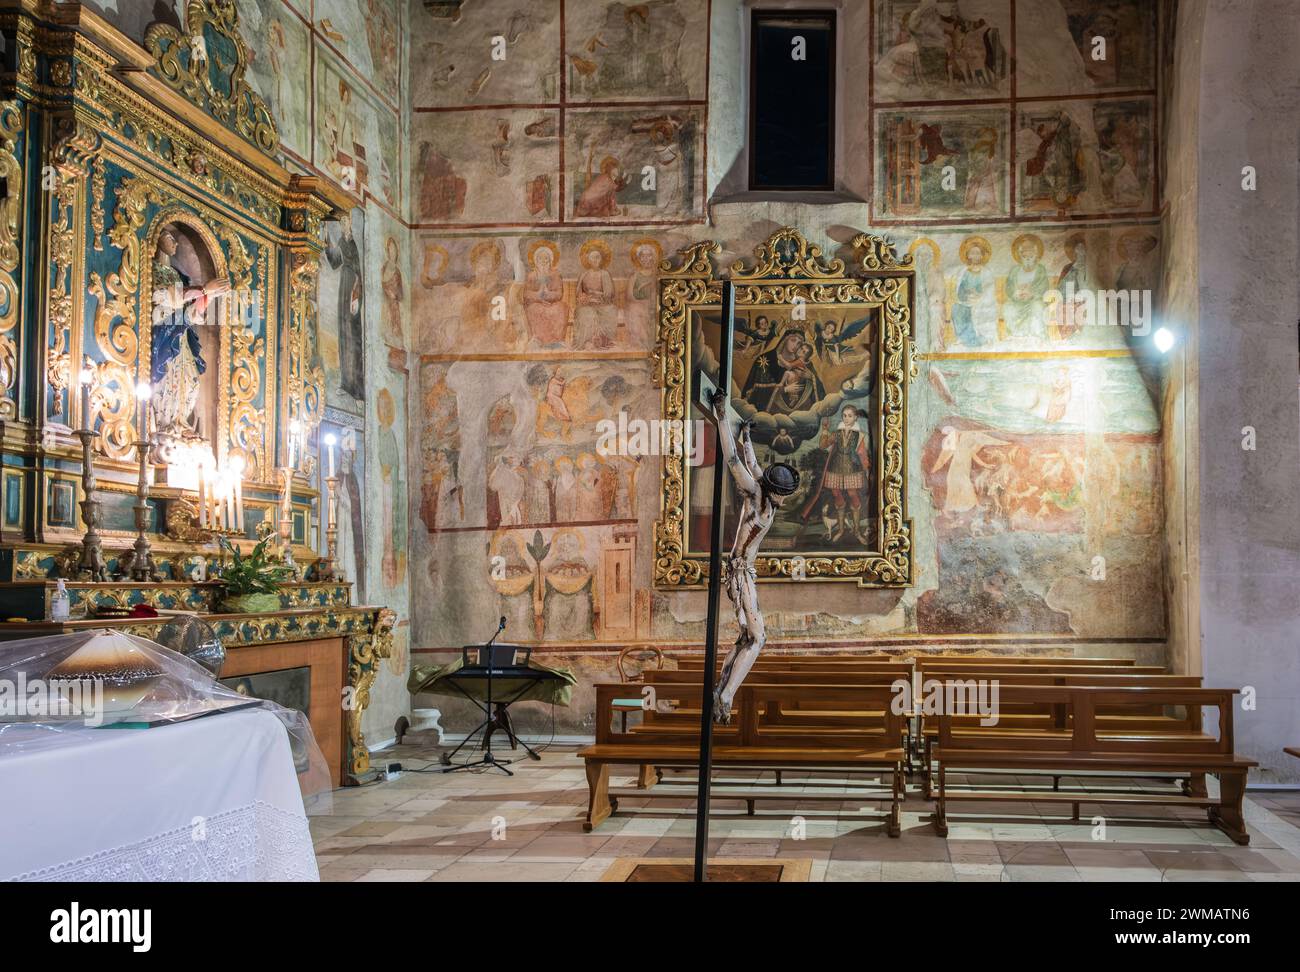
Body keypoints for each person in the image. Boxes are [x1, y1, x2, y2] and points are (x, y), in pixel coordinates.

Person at [707, 390, 800, 723]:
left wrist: (746, 434)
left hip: (746, 571)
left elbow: (751, 460)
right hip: (739, 572)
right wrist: (721, 417)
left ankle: (721, 687)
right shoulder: (756, 495)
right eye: (785, 494)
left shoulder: (768, 495)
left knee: (749, 635)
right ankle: (726, 697)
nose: (787, 500)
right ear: (776, 491)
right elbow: (734, 462)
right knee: (758, 637)